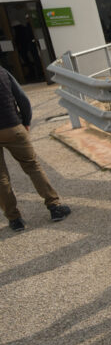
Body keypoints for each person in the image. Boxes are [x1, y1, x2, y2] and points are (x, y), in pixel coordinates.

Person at [0, 69, 71, 231]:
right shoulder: (2, 72)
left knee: (1, 178)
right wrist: (26, 121)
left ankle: (14, 219)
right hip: (13, 126)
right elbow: (22, 98)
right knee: (32, 166)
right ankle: (54, 207)